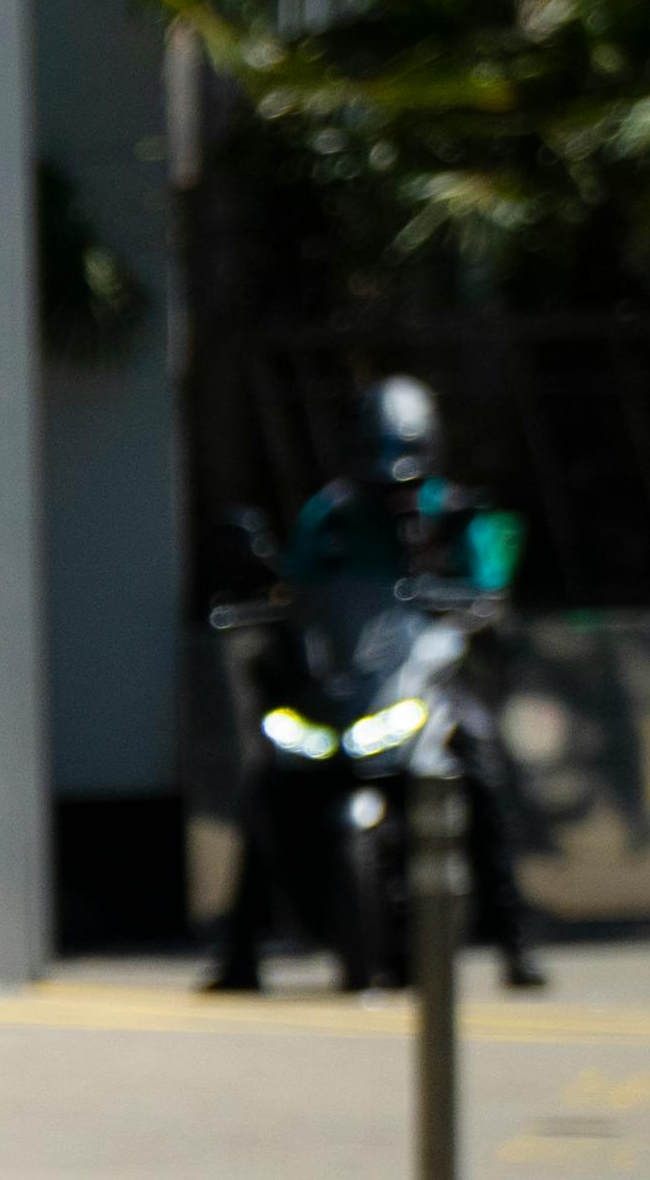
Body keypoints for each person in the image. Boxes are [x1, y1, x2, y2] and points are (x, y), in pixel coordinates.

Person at [211, 374, 545, 990]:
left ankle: (515, 941)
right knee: (269, 780)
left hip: (423, 688)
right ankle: (238, 953)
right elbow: (297, 592)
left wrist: (473, 603)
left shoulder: (455, 514)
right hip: (342, 690)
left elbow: (488, 587)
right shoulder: (331, 516)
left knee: (481, 761)